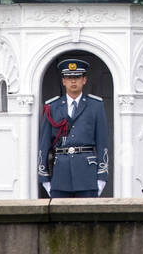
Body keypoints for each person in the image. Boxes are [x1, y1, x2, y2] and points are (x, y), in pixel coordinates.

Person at [37, 58, 109, 198]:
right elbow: (44, 143)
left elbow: (103, 142)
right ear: (63, 81)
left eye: (77, 77)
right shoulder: (52, 107)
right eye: (69, 78)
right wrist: (44, 178)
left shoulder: (96, 106)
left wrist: (102, 177)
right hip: (59, 176)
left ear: (84, 80)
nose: (73, 81)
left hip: (87, 175)